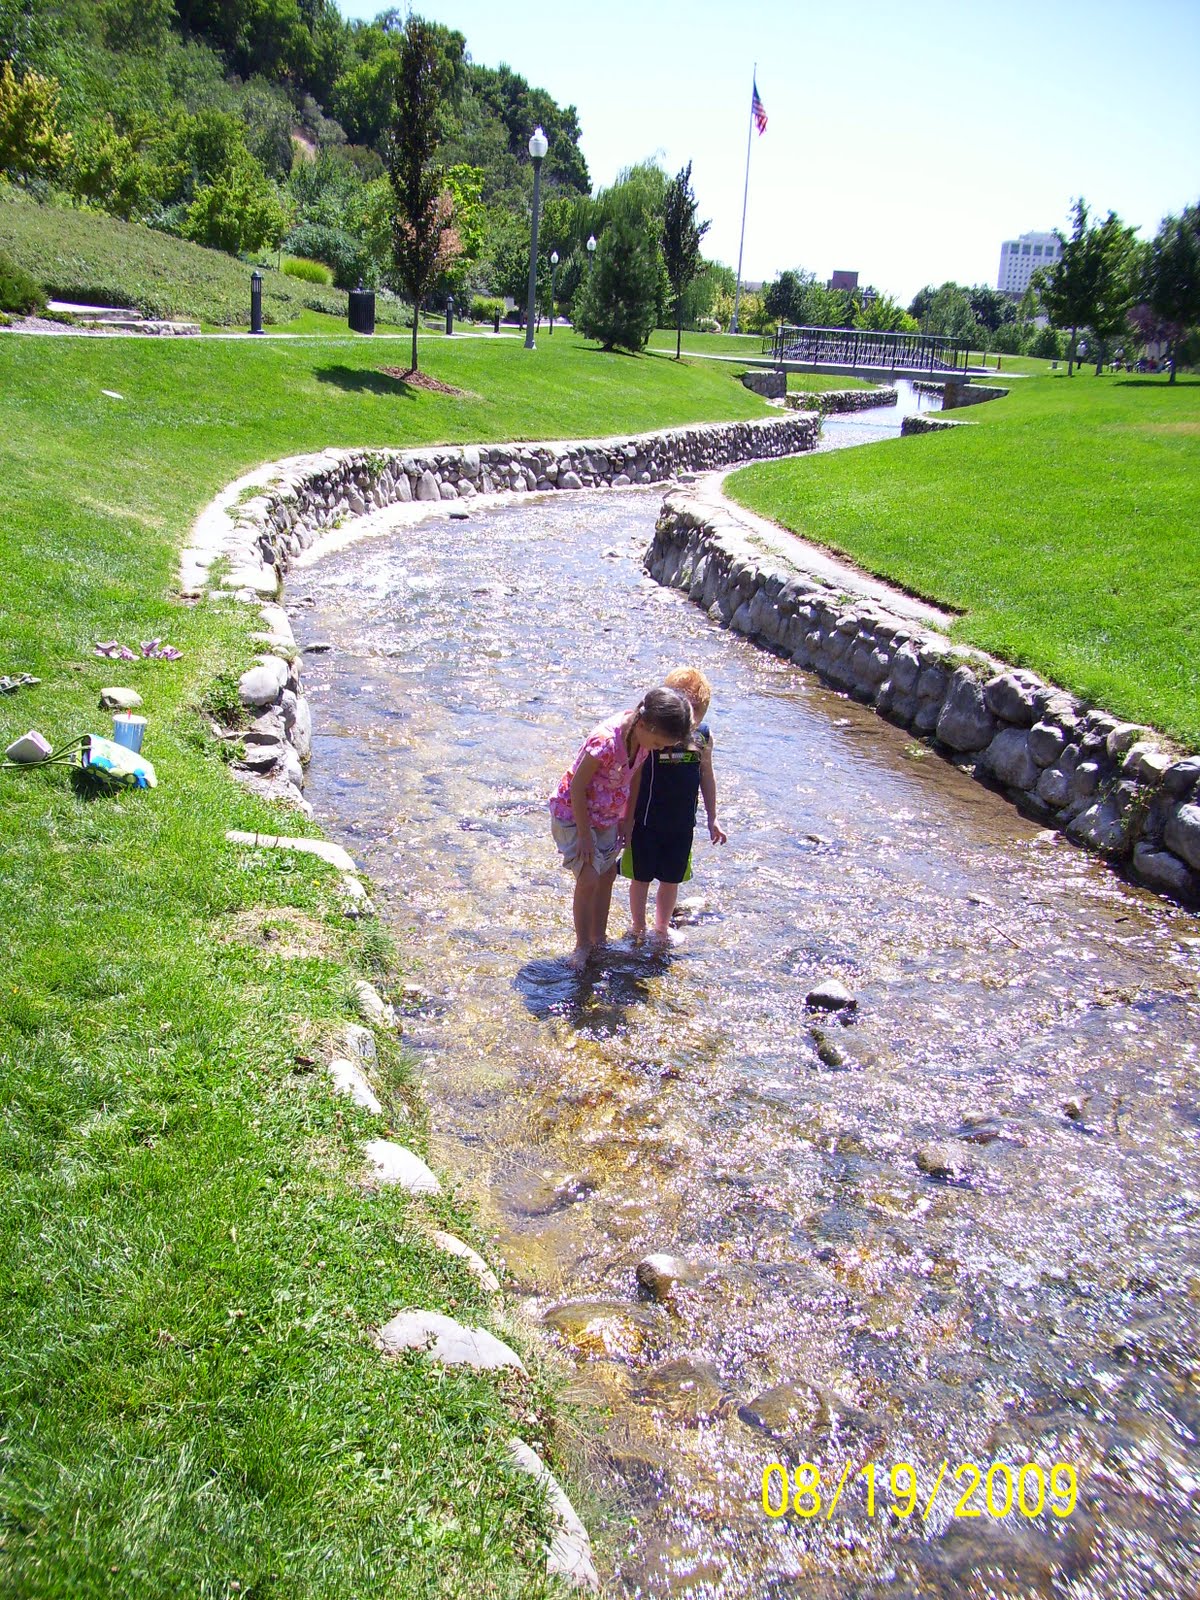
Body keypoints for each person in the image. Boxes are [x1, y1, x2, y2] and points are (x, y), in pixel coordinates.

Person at [549, 687, 693, 970]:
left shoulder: (642, 741)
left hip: (607, 815)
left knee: (606, 877)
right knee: (589, 876)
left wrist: (628, 819)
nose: (660, 749)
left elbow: (636, 774)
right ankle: (582, 946)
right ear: (644, 724)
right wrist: (584, 836)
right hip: (573, 813)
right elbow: (578, 787)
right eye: (658, 742)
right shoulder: (605, 741)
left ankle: (599, 939)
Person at [621, 666, 728, 943]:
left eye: (694, 712)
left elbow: (707, 774)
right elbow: (636, 776)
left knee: (672, 879)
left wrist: (713, 817)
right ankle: (637, 925)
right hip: (646, 819)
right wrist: (628, 818)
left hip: (681, 824)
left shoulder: (702, 736)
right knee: (640, 876)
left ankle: (661, 926)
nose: (686, 719)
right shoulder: (655, 737)